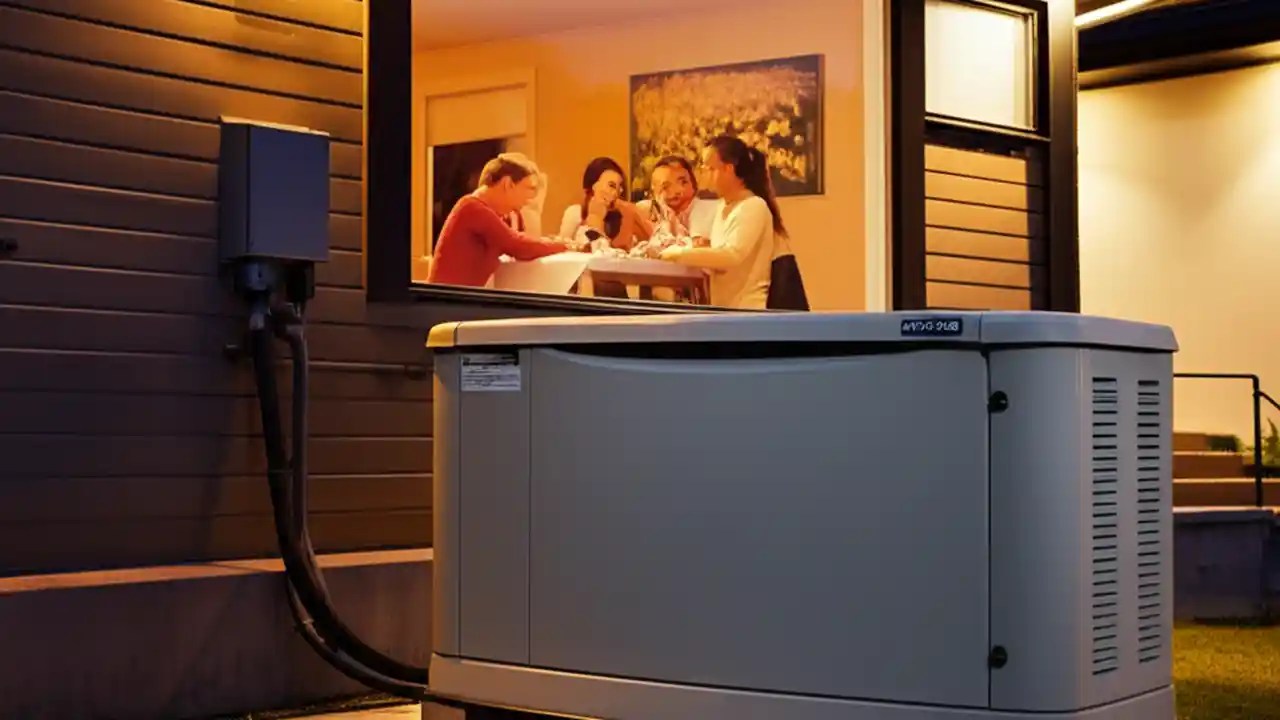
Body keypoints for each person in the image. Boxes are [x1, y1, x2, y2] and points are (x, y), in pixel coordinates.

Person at [660, 135, 800, 309]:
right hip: (725, 309)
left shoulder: (753, 206)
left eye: (710, 168)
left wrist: (679, 254)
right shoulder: (722, 207)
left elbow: (732, 255)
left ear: (728, 169)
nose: (704, 173)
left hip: (747, 311)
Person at [428, 153, 574, 288]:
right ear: (507, 184)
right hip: (448, 305)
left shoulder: (480, 209)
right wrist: (564, 245)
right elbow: (518, 246)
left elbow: (517, 238)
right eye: (528, 188)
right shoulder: (473, 208)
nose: (529, 200)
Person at [558, 157, 652, 252]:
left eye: (620, 188)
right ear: (593, 185)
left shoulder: (623, 215)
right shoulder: (575, 213)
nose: (616, 193)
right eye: (611, 186)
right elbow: (563, 248)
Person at [635, 155, 717, 243]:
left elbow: (699, 247)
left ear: (693, 185)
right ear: (654, 192)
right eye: (665, 187)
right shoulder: (649, 211)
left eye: (683, 182)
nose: (677, 190)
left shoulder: (709, 209)